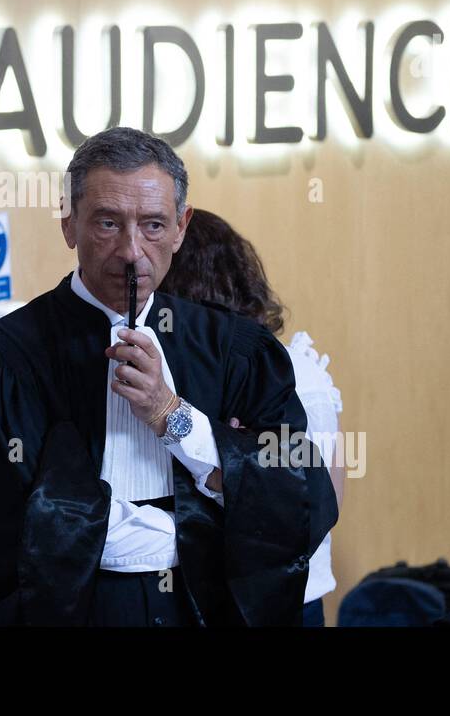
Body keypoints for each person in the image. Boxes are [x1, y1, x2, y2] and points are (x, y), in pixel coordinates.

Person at [0, 127, 337, 626]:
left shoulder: (235, 351)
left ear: (182, 227)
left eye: (153, 225)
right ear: (68, 223)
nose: (131, 251)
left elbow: (299, 498)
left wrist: (174, 416)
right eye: (106, 223)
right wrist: (195, 528)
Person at [159, 209, 345, 626]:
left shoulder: (292, 372)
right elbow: (333, 493)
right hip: (290, 592)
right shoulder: (305, 370)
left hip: (269, 599)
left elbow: (319, 497)